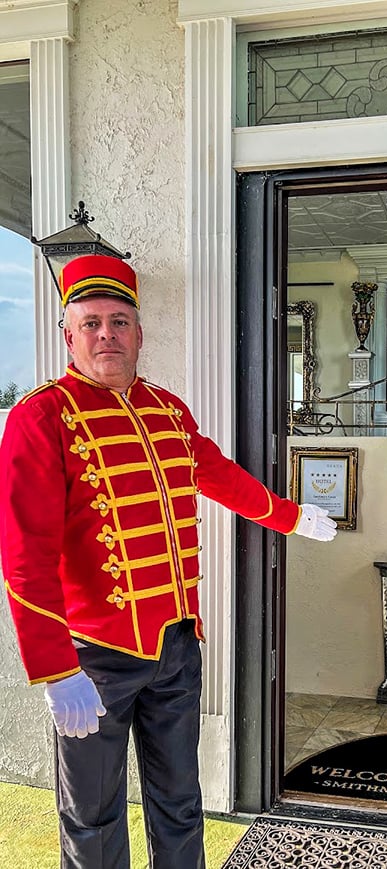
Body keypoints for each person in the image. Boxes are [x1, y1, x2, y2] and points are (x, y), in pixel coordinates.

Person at [0, 254, 337, 869]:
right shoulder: (40, 417)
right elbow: (26, 557)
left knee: (181, 802)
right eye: (91, 323)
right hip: (94, 657)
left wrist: (289, 516)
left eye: (119, 322)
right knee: (93, 816)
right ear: (69, 336)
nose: (107, 335)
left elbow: (218, 474)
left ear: (139, 332)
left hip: (177, 645)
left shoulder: (167, 409)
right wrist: (55, 668)